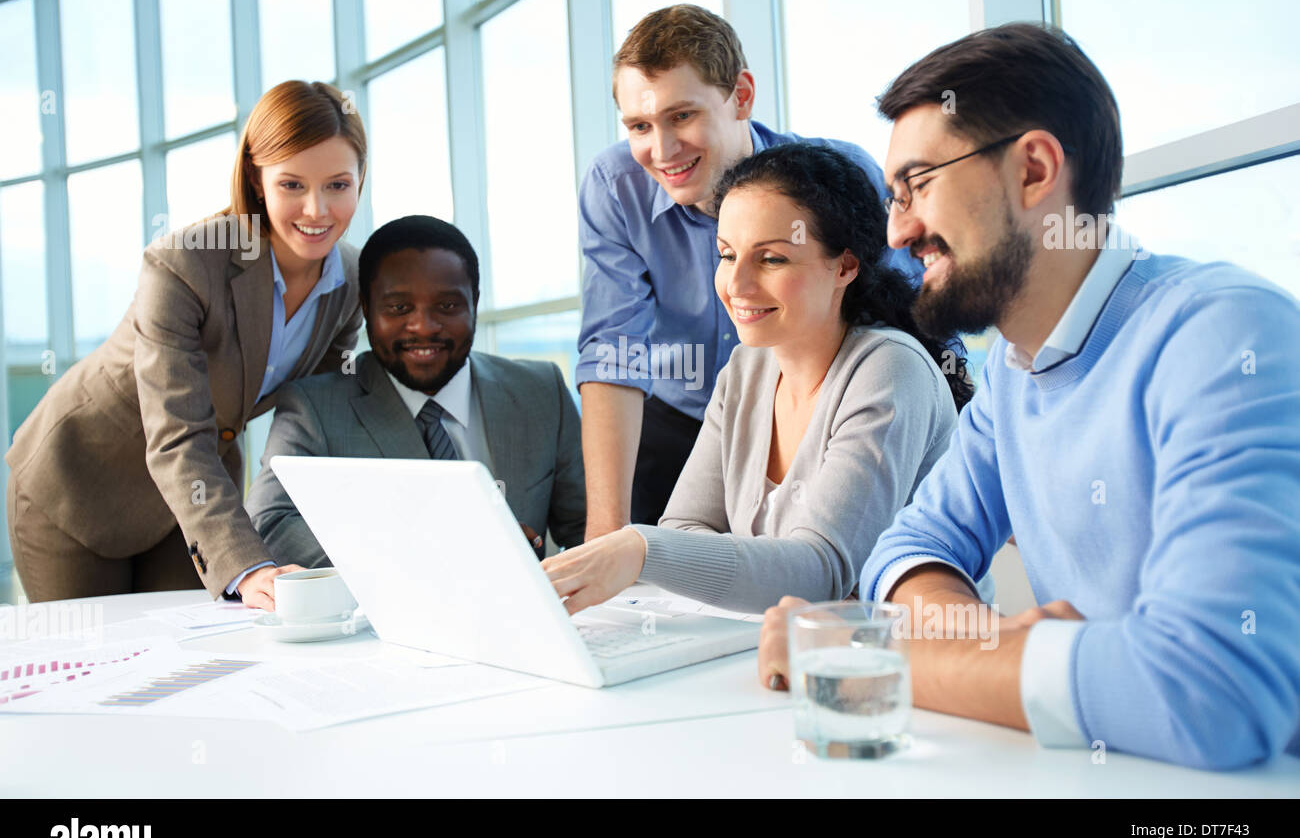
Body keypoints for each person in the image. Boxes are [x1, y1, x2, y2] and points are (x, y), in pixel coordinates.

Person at [756, 24, 1300, 770]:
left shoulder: (1223, 331)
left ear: (1035, 170)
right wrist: (995, 648)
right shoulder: (1016, 370)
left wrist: (859, 652)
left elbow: (1215, 690)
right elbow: (909, 550)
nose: (898, 229)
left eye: (917, 186)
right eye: (892, 197)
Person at [544, 143, 969, 615]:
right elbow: (684, 525)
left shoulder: (889, 369)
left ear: (845, 266)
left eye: (771, 259)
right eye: (727, 255)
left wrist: (642, 548)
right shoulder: (747, 368)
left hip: (907, 669)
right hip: (777, 650)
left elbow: (821, 571)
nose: (738, 285)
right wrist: (669, 549)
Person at [6, 81, 366, 609]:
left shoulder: (351, 282)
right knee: (102, 676)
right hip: (82, 485)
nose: (317, 209)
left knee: (193, 670)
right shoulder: (185, 263)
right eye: (292, 184)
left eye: (338, 184)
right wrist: (250, 564)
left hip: (195, 501)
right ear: (256, 180)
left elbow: (319, 418)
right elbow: (178, 435)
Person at [576, 5, 924, 540]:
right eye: (640, 126)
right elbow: (614, 355)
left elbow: (910, 314)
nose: (662, 151)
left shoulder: (834, 178)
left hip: (818, 416)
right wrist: (603, 538)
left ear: (741, 95)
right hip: (675, 419)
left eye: (682, 116)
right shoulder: (614, 185)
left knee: (816, 576)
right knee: (661, 586)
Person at [246, 215, 586, 566]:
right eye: (399, 308)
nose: (424, 327)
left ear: (475, 301)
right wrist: (430, 544)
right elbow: (268, 526)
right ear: (366, 308)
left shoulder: (540, 391)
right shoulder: (315, 408)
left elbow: (589, 530)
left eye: (448, 306)